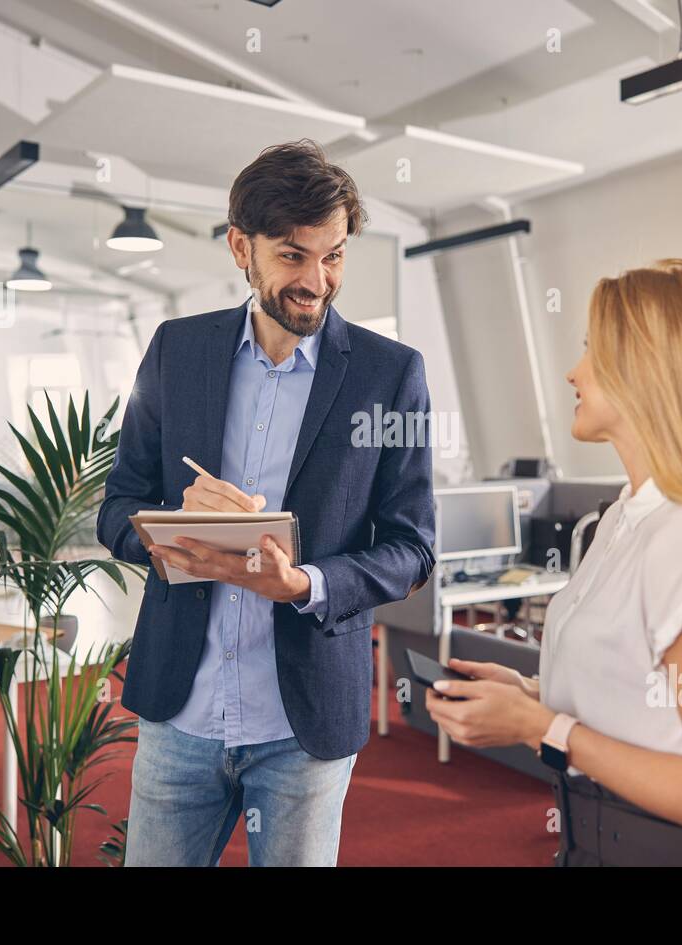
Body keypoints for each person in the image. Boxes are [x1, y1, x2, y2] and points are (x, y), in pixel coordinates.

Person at [97, 141, 435, 866]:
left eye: (335, 256)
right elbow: (118, 503)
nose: (317, 281)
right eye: (293, 256)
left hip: (303, 723)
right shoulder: (175, 351)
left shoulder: (391, 374)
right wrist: (168, 533)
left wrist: (304, 584)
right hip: (180, 713)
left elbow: (413, 548)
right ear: (241, 248)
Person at [426, 259, 682, 866]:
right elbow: (644, 698)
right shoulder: (627, 516)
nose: (572, 372)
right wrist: (531, 695)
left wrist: (540, 728)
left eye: (591, 351)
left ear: (648, 373)